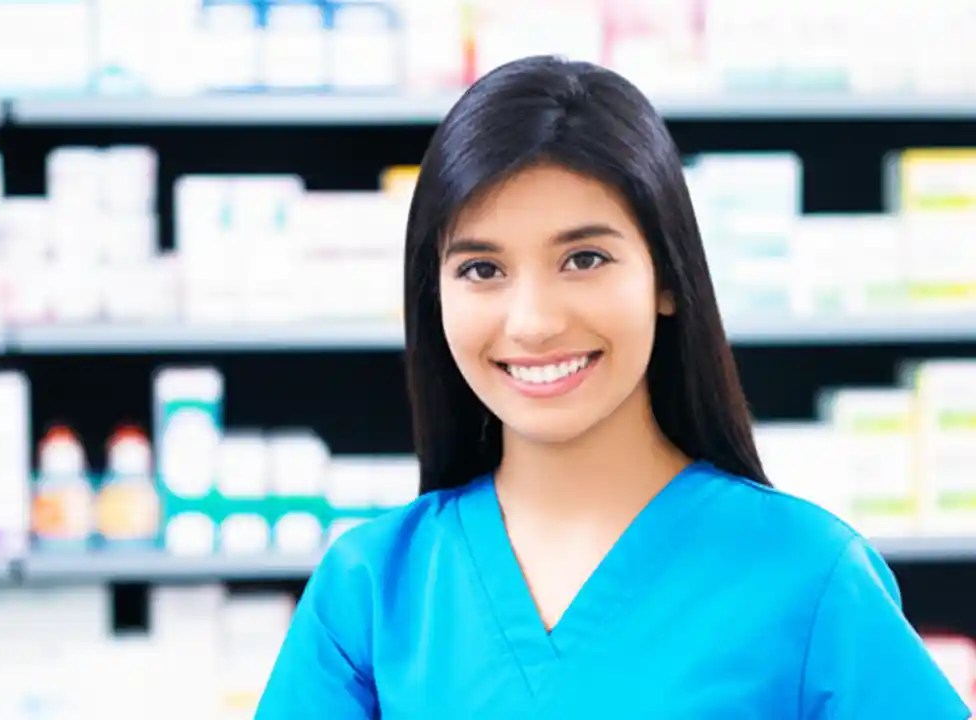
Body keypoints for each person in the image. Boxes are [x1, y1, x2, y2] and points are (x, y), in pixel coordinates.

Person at [255, 55, 971, 719]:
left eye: (585, 258)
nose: (532, 322)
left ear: (666, 277)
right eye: (481, 270)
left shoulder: (809, 578)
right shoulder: (371, 592)